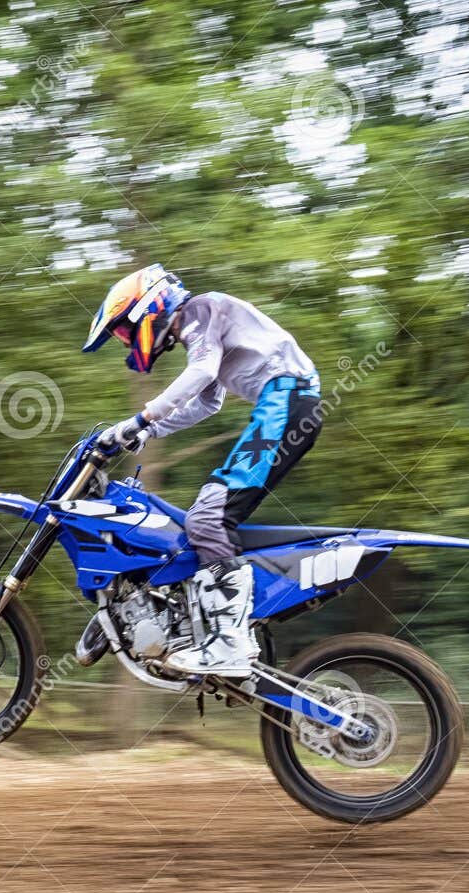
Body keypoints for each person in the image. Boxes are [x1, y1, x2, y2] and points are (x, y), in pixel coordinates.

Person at [80, 263, 322, 676]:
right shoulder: (203, 325)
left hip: (287, 404)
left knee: (209, 516)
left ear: (148, 308)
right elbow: (207, 400)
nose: (125, 342)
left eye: (123, 331)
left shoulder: (200, 310)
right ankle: (195, 624)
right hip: (284, 405)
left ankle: (228, 643)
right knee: (203, 517)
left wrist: (140, 419)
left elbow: (201, 373)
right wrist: (148, 431)